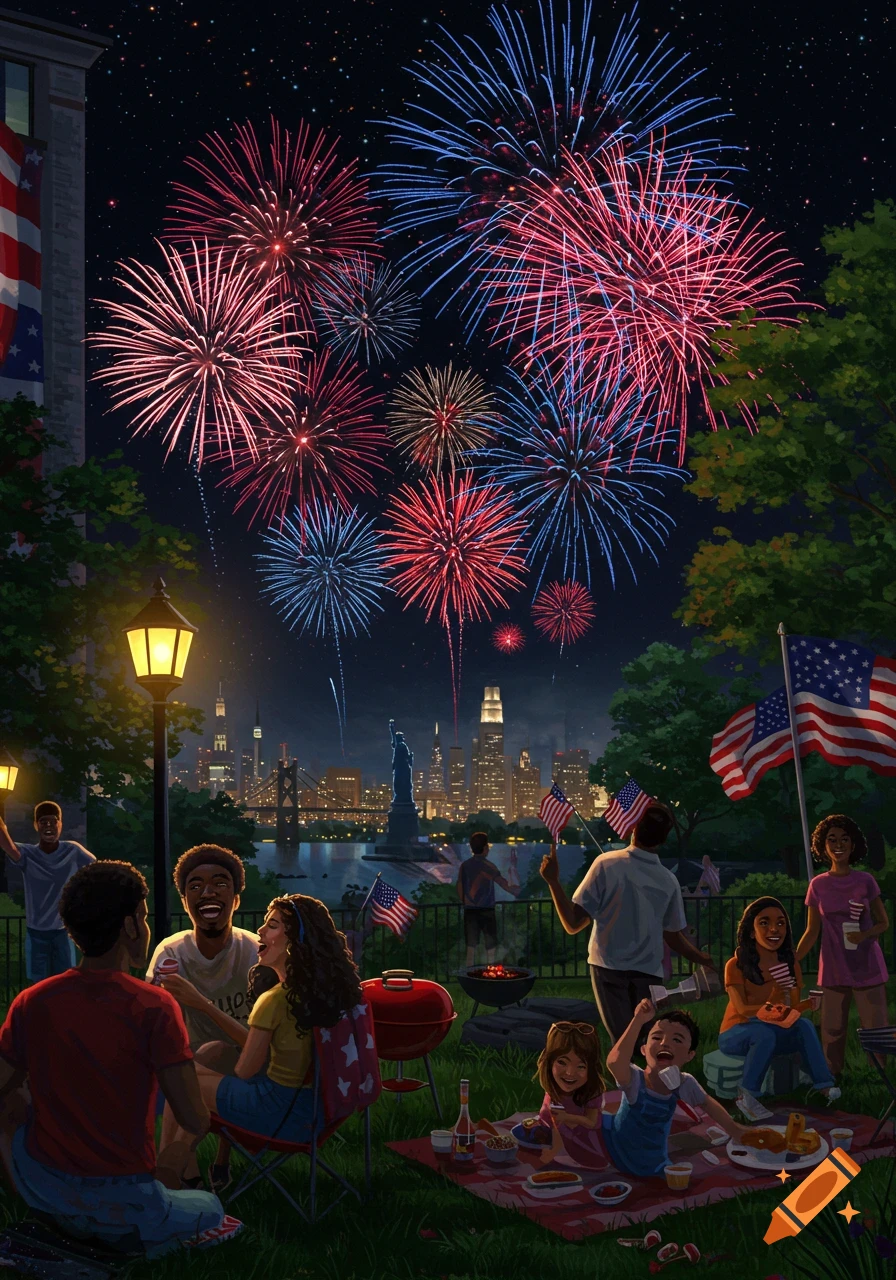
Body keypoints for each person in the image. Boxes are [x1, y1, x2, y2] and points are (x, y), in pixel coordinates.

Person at [0, 860, 237, 1256]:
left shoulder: (32, 1001)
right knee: (209, 1207)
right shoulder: (155, 1005)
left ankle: (40, 1215)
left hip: (45, 1187)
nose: (145, 927)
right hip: (126, 1201)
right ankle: (136, 1233)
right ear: (129, 926)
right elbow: (195, 1119)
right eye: (142, 917)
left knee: (11, 1101)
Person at [160, 894, 364, 1186]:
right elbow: (272, 1051)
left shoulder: (275, 1000)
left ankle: (168, 1175)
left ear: (294, 941)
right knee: (213, 1051)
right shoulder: (316, 992)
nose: (260, 931)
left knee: (182, 1077)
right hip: (317, 1111)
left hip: (279, 1115)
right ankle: (189, 1172)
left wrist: (201, 1004)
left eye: (272, 925)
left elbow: (244, 1070)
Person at [539, 804, 714, 1042]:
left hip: (607, 968)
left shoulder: (605, 864)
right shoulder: (668, 880)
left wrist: (553, 881)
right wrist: (703, 958)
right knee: (644, 1043)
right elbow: (673, 936)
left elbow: (572, 923)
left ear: (633, 827)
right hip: (649, 972)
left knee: (623, 1042)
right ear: (663, 839)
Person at [147, 845, 260, 1192]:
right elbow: (150, 1019)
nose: (208, 892)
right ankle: (188, 1175)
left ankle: (177, 1176)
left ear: (236, 899)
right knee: (189, 1062)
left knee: (211, 1054)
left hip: (247, 1060)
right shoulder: (171, 952)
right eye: (195, 886)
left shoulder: (255, 952)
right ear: (185, 903)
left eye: (220, 883)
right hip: (186, 1060)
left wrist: (200, 1002)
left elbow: (266, 1039)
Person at [719, 896, 839, 1122]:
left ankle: (824, 1085)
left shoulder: (790, 964)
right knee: (763, 1034)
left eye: (780, 923)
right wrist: (771, 1000)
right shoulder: (736, 965)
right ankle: (747, 1096)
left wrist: (807, 1005)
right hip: (737, 1031)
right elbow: (743, 1009)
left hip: (773, 1028)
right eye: (764, 923)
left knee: (803, 1024)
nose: (774, 929)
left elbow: (790, 1011)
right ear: (751, 931)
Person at [603, 1003, 748, 1177]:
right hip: (616, 1150)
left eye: (677, 1040)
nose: (664, 1043)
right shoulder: (635, 1079)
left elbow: (708, 1104)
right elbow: (614, 1062)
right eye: (657, 1037)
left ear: (689, 1055)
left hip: (652, 1159)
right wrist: (638, 1020)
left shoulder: (684, 1083)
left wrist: (734, 1130)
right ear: (643, 1049)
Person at [794, 815, 890, 1077]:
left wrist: (864, 934)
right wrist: (794, 958)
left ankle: (879, 1079)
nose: (838, 845)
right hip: (834, 966)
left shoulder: (865, 880)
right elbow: (812, 931)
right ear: (822, 846)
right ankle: (831, 1079)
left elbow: (884, 923)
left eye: (844, 839)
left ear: (853, 844)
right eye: (832, 840)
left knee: (876, 1028)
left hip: (868, 964)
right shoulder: (818, 885)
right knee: (832, 1029)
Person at [0, 801, 95, 983]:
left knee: (65, 984)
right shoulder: (27, 854)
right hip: (36, 934)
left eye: (53, 821)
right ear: (36, 825)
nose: (49, 826)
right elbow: (7, 844)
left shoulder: (73, 850)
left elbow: (97, 870)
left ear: (61, 824)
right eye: (43, 822)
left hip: (63, 932)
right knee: (38, 987)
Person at [535, 1021, 609, 1169]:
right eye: (562, 1062)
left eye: (581, 1066)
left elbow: (592, 1122)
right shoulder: (554, 1088)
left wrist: (567, 1118)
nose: (570, 1073)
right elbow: (552, 1119)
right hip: (557, 1137)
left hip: (586, 1142)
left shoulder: (591, 1092)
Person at [457, 832, 520, 968]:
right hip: (487, 910)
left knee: (470, 948)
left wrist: (465, 902)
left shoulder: (465, 866)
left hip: (470, 911)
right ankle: (490, 973)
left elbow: (460, 886)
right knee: (491, 947)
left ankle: (469, 973)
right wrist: (513, 869)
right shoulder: (489, 867)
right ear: (485, 848)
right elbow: (505, 885)